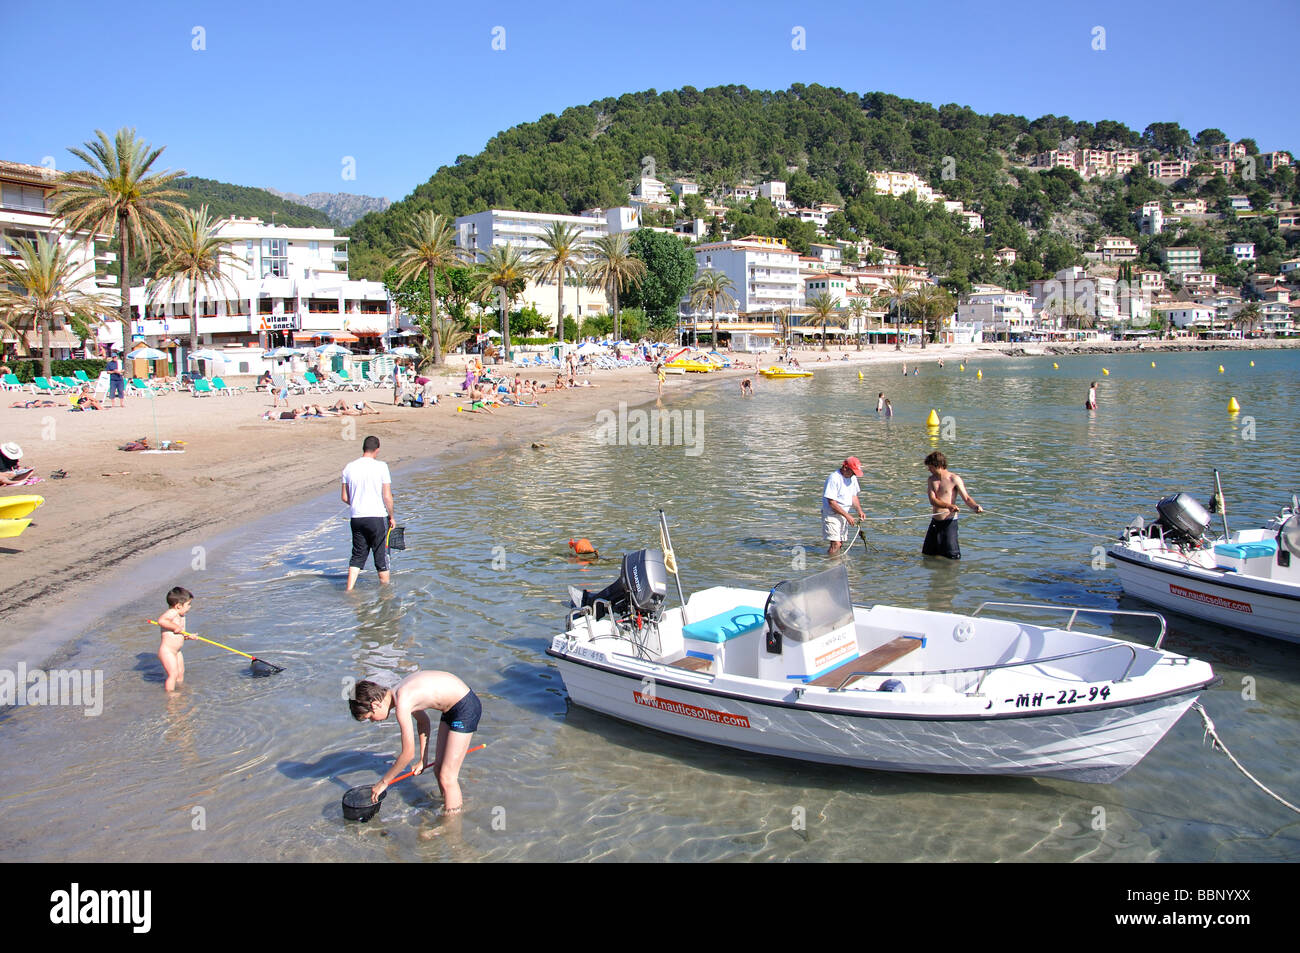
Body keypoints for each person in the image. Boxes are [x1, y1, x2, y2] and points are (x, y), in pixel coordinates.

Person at [349, 671, 481, 815]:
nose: (373, 721)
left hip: (465, 707)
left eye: (370, 717)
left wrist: (384, 782)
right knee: (438, 770)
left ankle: (451, 829)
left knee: (448, 776)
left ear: (375, 705)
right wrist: (423, 759)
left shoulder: (403, 702)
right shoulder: (399, 693)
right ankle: (449, 806)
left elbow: (407, 754)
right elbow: (423, 721)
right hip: (451, 709)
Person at [341, 435, 394, 591]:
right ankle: (386, 594)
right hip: (377, 516)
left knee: (357, 555)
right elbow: (387, 496)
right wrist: (391, 516)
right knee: (381, 556)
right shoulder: (381, 466)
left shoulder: (349, 467)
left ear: (363, 448)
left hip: (357, 517)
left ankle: (349, 590)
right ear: (377, 450)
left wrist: (358, 503)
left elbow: (344, 497)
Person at [922, 450, 982, 560]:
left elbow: (967, 498)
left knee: (953, 557)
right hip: (935, 522)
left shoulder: (954, 479)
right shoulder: (931, 480)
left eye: (930, 467)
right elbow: (932, 500)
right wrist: (948, 506)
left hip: (949, 523)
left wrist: (975, 507)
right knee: (927, 554)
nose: (929, 469)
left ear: (938, 465)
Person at [155, 586, 197, 693]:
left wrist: (188, 636)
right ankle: (170, 695)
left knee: (180, 673)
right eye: (188, 605)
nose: (190, 607)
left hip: (177, 651)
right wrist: (174, 627)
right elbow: (161, 620)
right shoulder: (172, 613)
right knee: (173, 674)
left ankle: (179, 688)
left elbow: (180, 635)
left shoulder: (182, 616)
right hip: (167, 651)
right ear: (178, 606)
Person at [823, 456, 865, 557]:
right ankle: (831, 566)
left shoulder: (853, 478)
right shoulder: (834, 478)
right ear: (845, 468)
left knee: (840, 544)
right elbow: (831, 502)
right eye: (852, 472)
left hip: (844, 514)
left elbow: (853, 496)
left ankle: (835, 562)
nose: (854, 475)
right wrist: (847, 516)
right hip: (831, 514)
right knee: (836, 544)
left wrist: (859, 511)